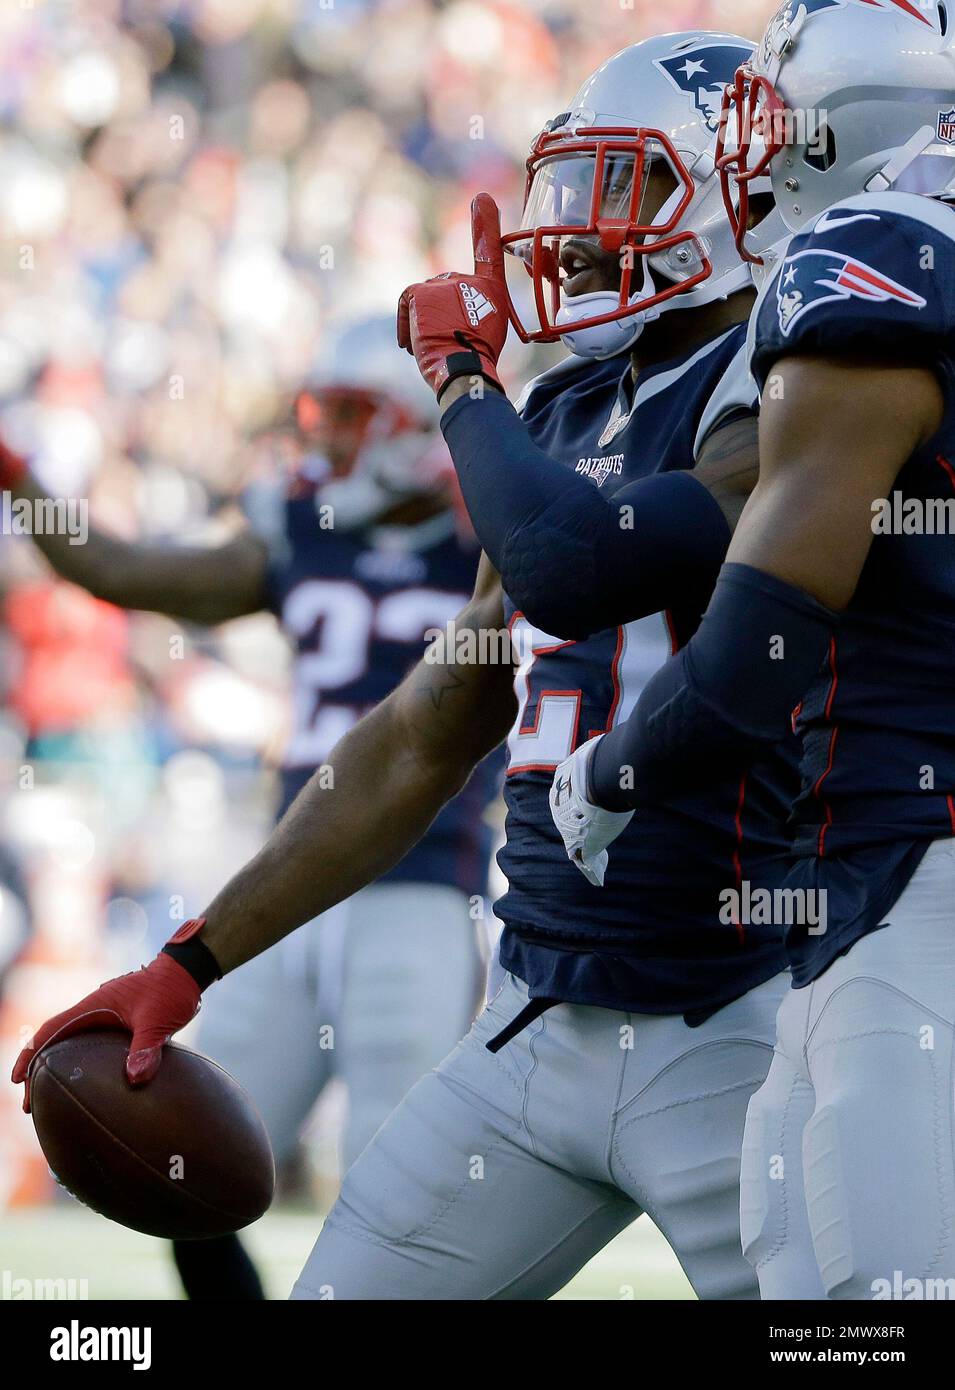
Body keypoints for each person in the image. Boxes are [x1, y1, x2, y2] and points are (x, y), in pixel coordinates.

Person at [16, 31, 792, 1300]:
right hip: (535, 1016)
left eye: (622, 187)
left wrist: (457, 379)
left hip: (743, 1018)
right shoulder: (556, 410)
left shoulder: (780, 392)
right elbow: (428, 728)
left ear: (730, 193)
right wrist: (182, 963)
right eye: (571, 187)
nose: (577, 231)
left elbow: (575, 565)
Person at [572, 0, 955, 1299]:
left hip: (913, 875)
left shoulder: (876, 258)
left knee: (867, 1297)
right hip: (874, 882)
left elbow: (756, 654)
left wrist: (608, 771)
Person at [2, 316, 496, 1299]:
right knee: (186, 1169)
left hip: (422, 886)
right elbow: (120, 570)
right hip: (283, 894)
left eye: (353, 417)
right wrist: (19, 479)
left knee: (399, 1199)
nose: (328, 441)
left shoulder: (493, 537)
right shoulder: (301, 533)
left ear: (407, 424)